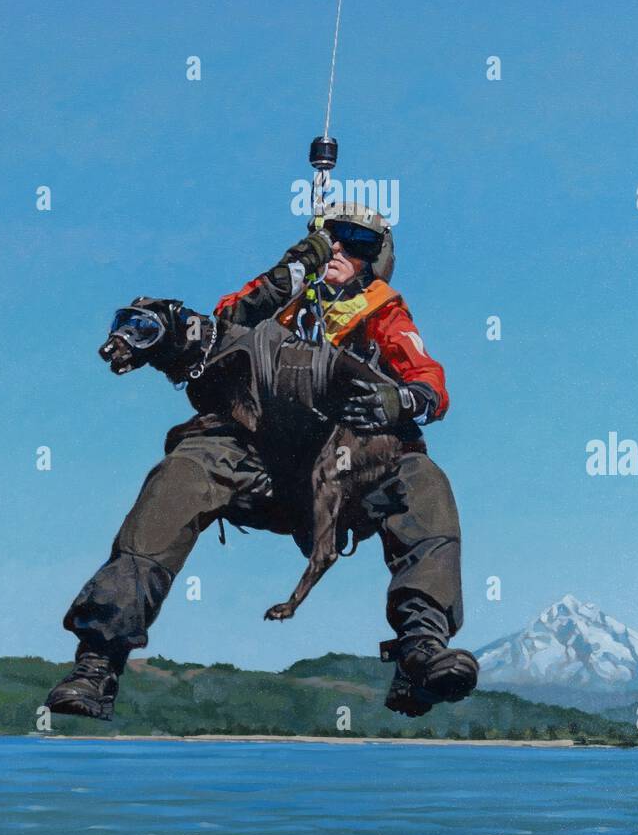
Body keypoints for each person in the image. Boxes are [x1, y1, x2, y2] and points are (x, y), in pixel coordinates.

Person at [45, 205, 478, 721]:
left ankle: (421, 645)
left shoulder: (383, 314)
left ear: (375, 259)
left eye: (356, 242)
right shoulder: (281, 299)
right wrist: (292, 271)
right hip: (254, 457)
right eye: (330, 239)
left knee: (422, 481)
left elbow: (429, 378)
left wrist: (404, 401)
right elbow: (226, 321)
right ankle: (99, 661)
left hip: (342, 471)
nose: (339, 249)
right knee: (180, 475)